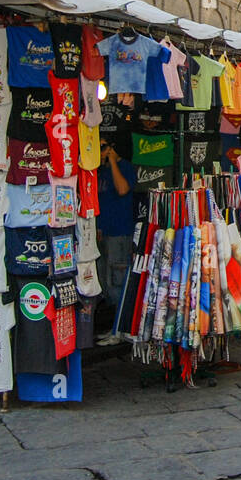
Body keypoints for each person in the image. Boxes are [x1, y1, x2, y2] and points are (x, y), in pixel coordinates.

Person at [95, 140, 136, 345]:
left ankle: (120, 330)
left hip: (120, 233)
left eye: (103, 148)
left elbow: (122, 189)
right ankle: (114, 328)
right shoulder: (100, 171)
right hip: (104, 233)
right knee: (105, 282)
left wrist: (112, 162)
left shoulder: (125, 167)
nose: (100, 152)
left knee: (118, 282)